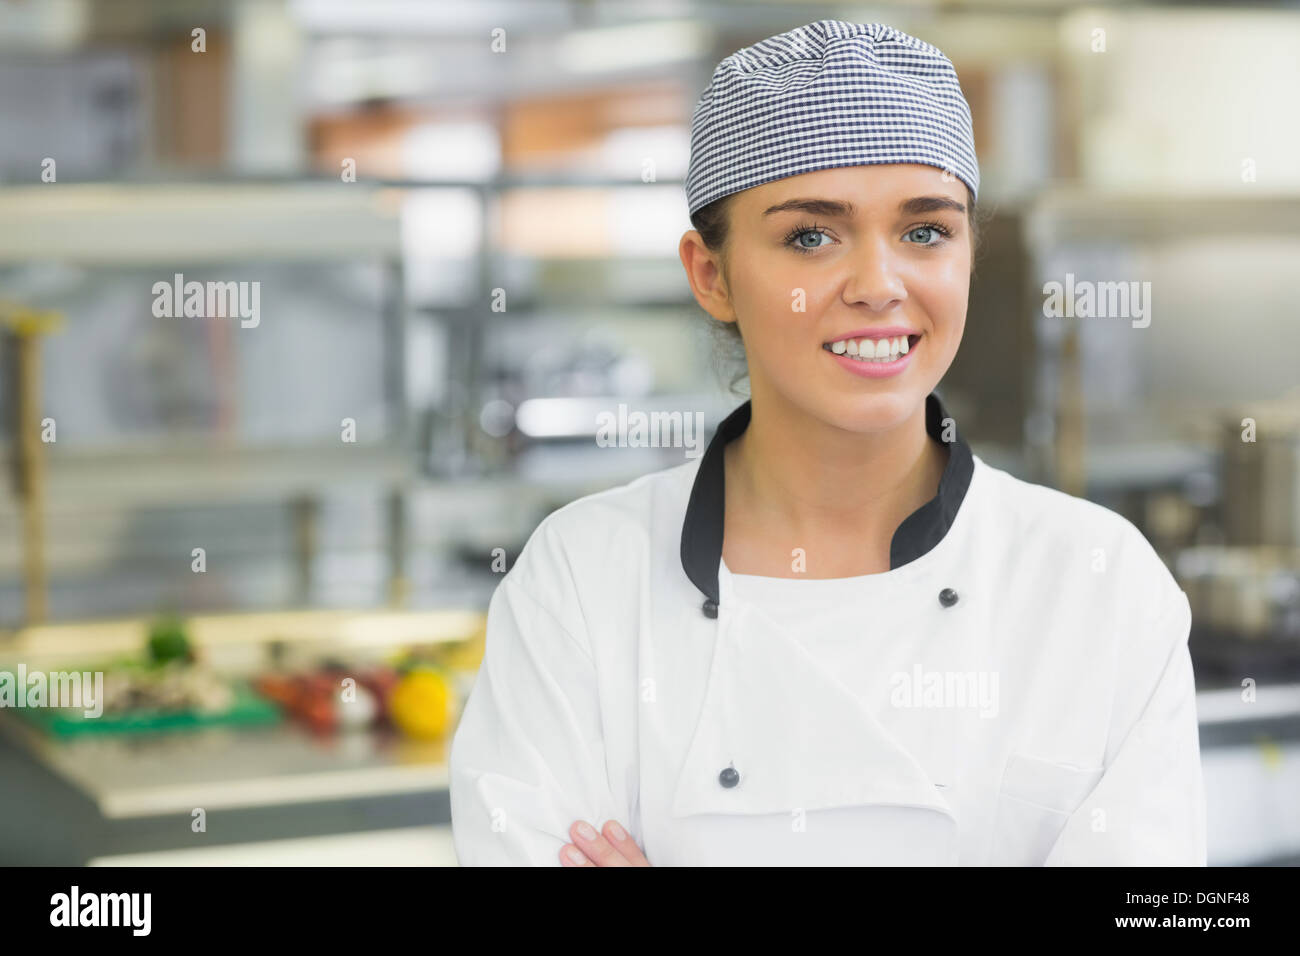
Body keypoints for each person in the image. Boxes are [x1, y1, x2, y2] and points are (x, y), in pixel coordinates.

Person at [448, 19, 1206, 866]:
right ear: (711, 274)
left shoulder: (1097, 583)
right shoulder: (581, 583)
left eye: (926, 231)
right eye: (811, 235)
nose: (879, 286)